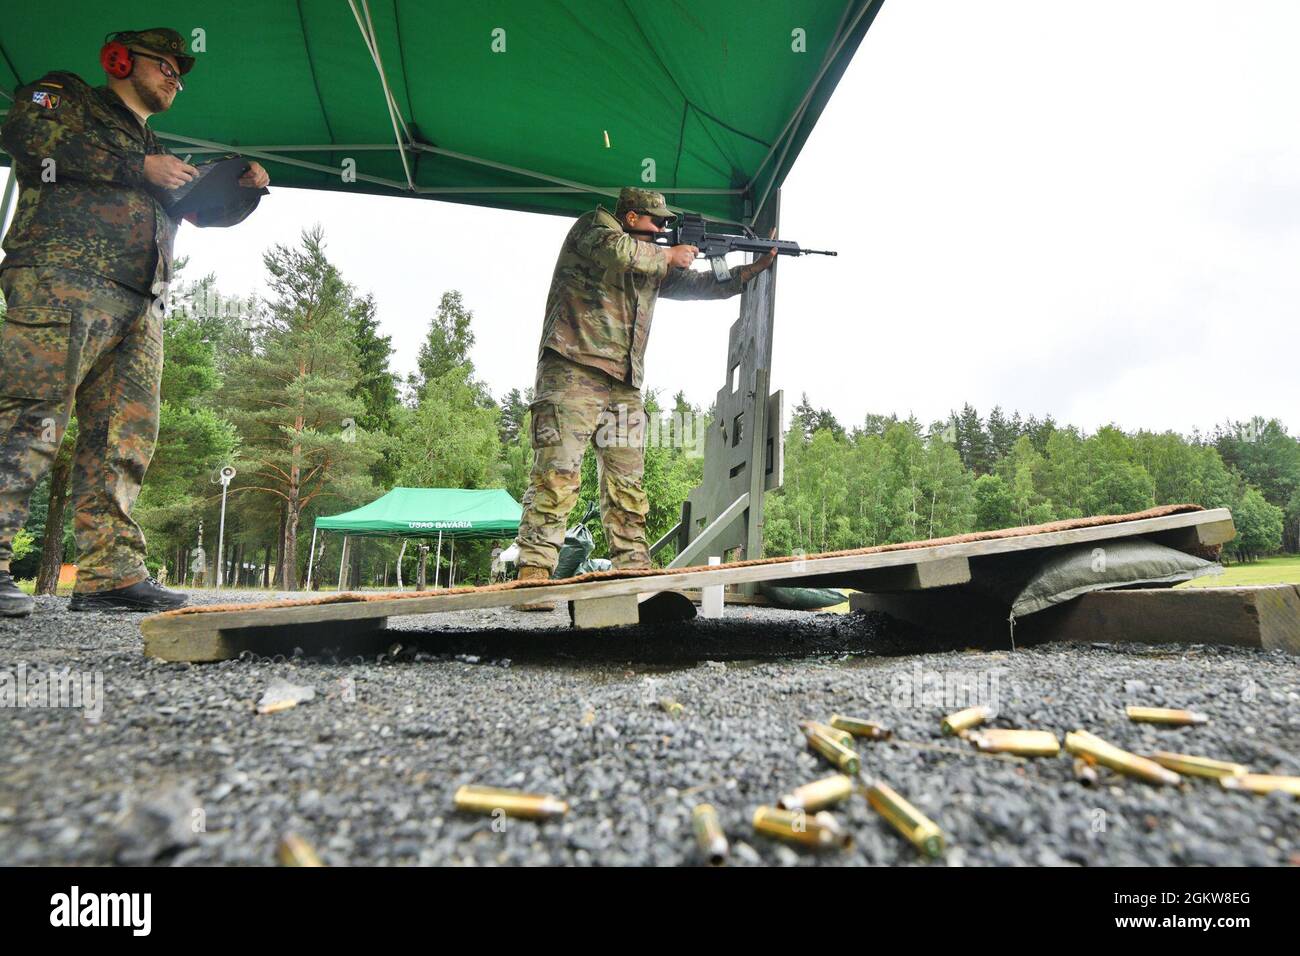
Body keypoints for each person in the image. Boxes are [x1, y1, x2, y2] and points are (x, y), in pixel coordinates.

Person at [0, 28, 270, 617]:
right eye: (166, 65)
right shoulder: (62, 95)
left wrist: (242, 191)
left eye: (181, 71)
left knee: (123, 438)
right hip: (61, 277)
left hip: (140, 299)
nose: (176, 77)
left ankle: (109, 574)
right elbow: (26, 137)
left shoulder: (153, 146)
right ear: (119, 60)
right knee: (28, 415)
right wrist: (136, 166)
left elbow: (195, 213)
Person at [511, 187, 775, 610]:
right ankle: (533, 576)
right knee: (556, 476)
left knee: (627, 484)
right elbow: (620, 254)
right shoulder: (595, 230)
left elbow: (697, 285)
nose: (663, 230)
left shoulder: (647, 257)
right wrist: (669, 255)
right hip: (572, 368)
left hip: (624, 382)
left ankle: (634, 572)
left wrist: (751, 270)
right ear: (631, 218)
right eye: (657, 223)